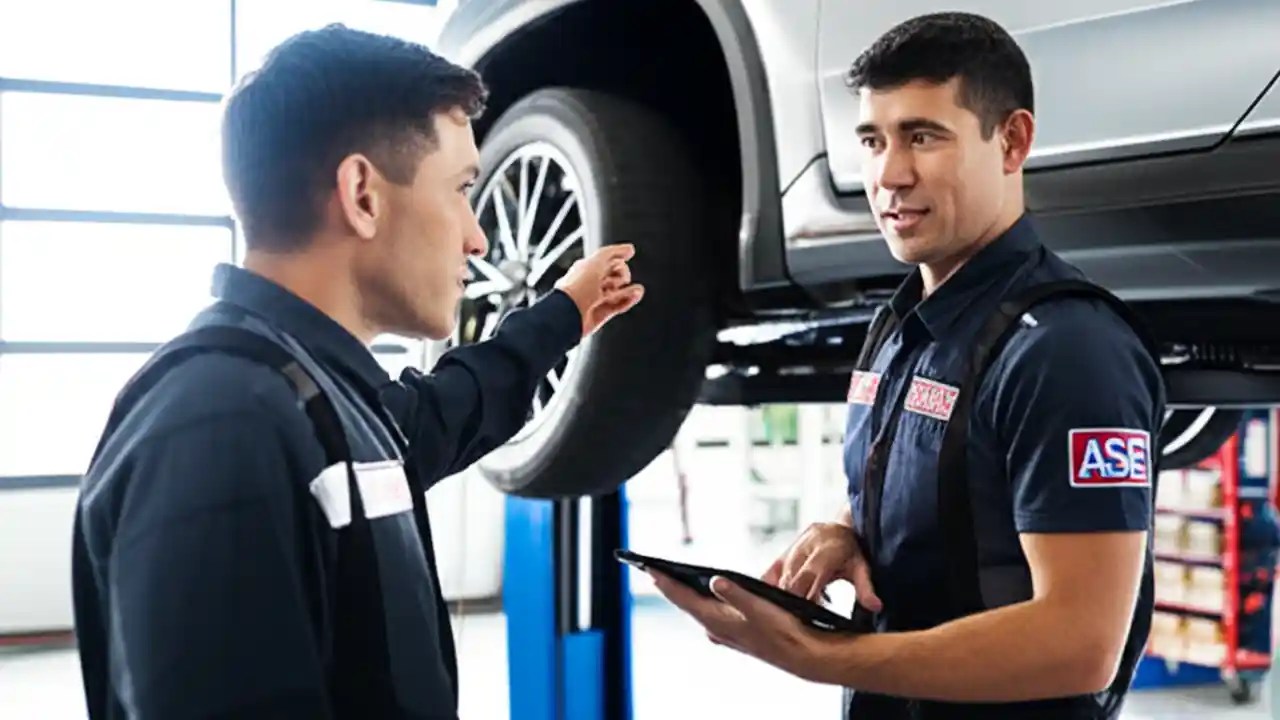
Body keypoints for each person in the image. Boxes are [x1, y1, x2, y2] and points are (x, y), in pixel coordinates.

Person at [71, 24, 643, 720]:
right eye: (462, 188)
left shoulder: (324, 398)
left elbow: (453, 408)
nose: (478, 235)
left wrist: (566, 311)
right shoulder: (218, 425)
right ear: (363, 194)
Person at [650, 12, 1165, 719]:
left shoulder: (1068, 350)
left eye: (923, 137)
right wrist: (846, 529)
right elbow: (949, 492)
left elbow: (1081, 642)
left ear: (1012, 141)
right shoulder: (900, 325)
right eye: (873, 139)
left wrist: (819, 657)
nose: (889, 174)